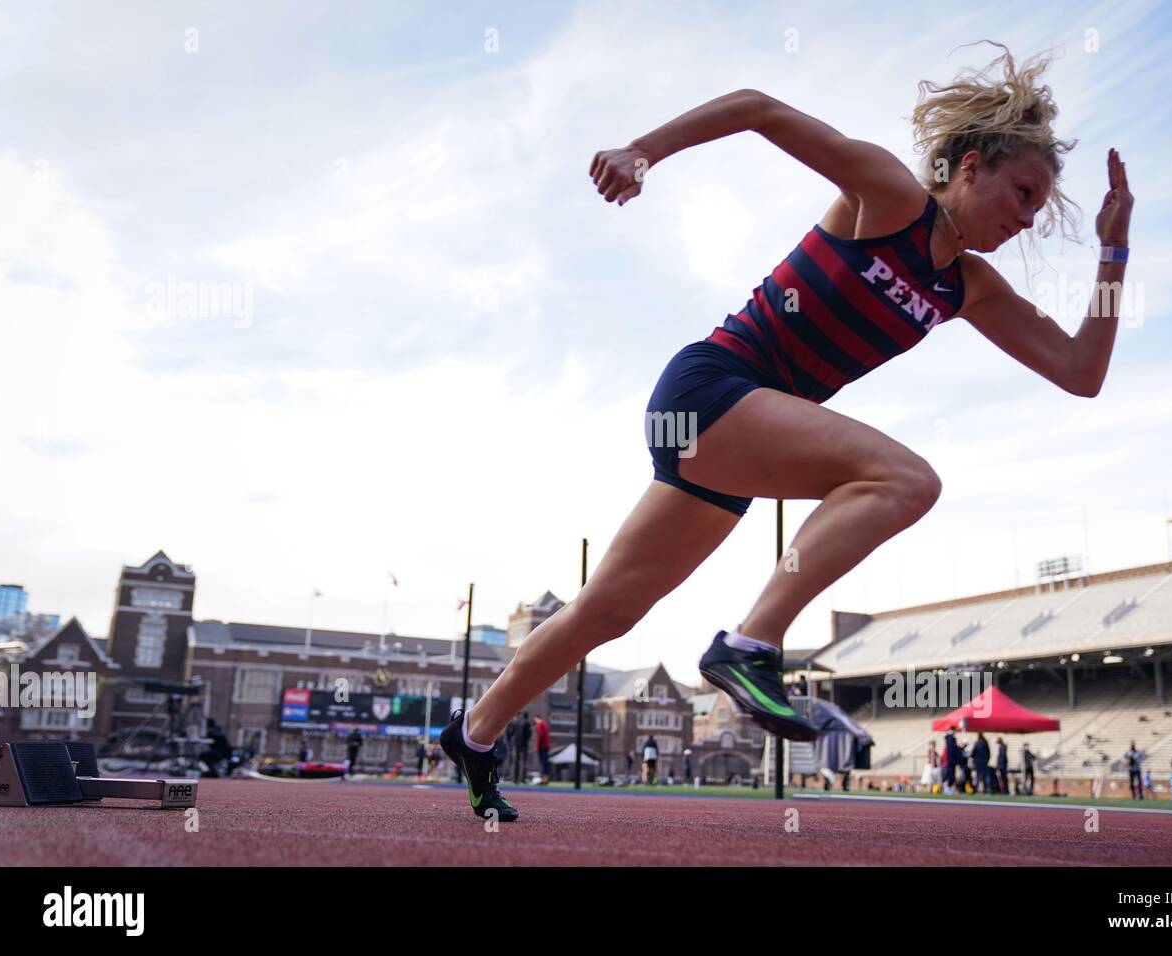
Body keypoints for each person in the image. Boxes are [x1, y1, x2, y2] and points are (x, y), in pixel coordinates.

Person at [436, 42, 1132, 821]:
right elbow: (759, 109)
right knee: (906, 479)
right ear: (970, 166)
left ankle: (476, 728)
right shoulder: (889, 195)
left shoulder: (965, 287)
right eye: (1023, 191)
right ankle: (751, 643)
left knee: (606, 611)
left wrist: (1113, 252)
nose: (1029, 217)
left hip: (738, 440)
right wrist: (642, 151)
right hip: (711, 390)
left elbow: (1080, 371)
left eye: (1040, 207)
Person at [534, 714, 552, 785]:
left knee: (543, 763)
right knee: (545, 763)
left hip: (543, 747)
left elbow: (539, 736)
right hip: (546, 746)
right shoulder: (544, 724)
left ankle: (544, 779)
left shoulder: (539, 725)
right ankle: (546, 779)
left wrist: (537, 746)